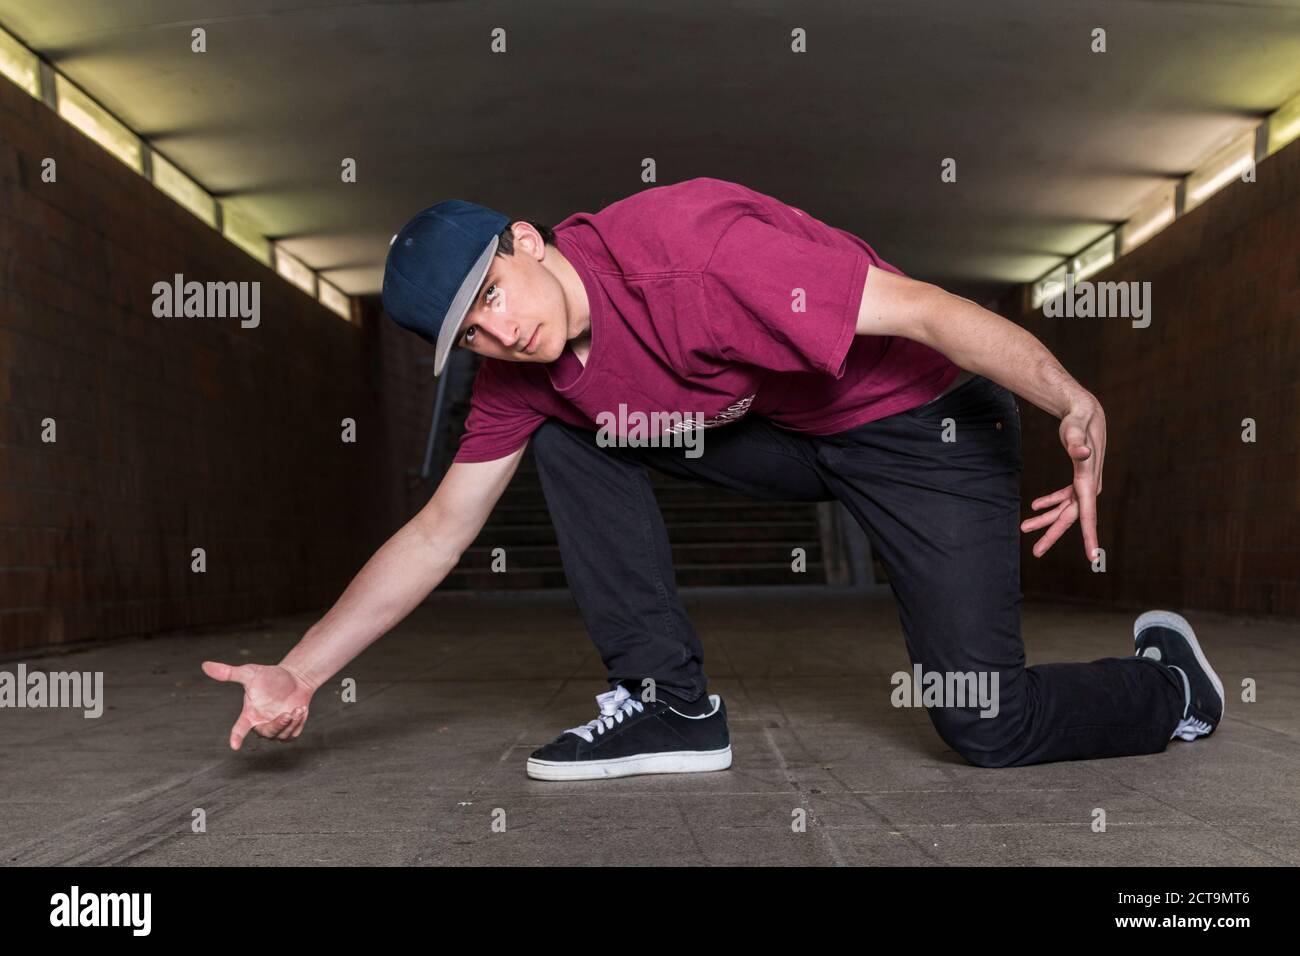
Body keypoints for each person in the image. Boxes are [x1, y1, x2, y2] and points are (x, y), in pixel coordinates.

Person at [202, 177, 1224, 778]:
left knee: (985, 727)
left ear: (525, 240)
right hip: (777, 430)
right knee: (564, 425)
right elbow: (439, 530)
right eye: (472, 331)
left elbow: (920, 311)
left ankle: (1168, 682)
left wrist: (1069, 397)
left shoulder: (692, 254)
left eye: (496, 296)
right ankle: (670, 702)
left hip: (924, 434)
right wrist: (301, 669)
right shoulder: (519, 370)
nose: (504, 332)